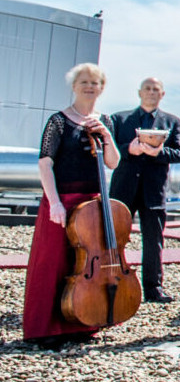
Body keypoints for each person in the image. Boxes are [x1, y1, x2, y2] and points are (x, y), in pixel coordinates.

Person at [22, 63, 122, 349]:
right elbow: (45, 163)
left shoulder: (105, 121)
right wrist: (54, 202)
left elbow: (113, 163)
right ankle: (46, 328)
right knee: (53, 263)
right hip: (62, 200)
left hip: (92, 204)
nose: (90, 87)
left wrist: (107, 136)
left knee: (87, 264)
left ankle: (84, 321)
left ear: (101, 88)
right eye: (84, 82)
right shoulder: (58, 121)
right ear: (74, 86)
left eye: (95, 82)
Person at [108, 76, 180, 304]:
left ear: (162, 94)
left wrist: (158, 153)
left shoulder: (172, 122)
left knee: (153, 240)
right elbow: (109, 150)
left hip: (154, 191)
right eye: (147, 88)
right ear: (139, 92)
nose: (151, 92)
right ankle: (111, 282)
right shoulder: (118, 119)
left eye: (155, 89)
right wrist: (129, 150)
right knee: (114, 237)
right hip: (123, 189)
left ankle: (154, 287)